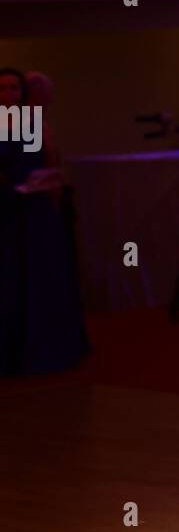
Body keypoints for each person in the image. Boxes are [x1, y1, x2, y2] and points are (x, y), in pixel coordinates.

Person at [0, 68, 90, 374]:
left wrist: (49, 187)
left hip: (36, 206)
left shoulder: (32, 122)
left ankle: (49, 347)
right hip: (6, 207)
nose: (9, 94)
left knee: (43, 273)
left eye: (14, 88)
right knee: (11, 275)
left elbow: (49, 162)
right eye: (3, 88)